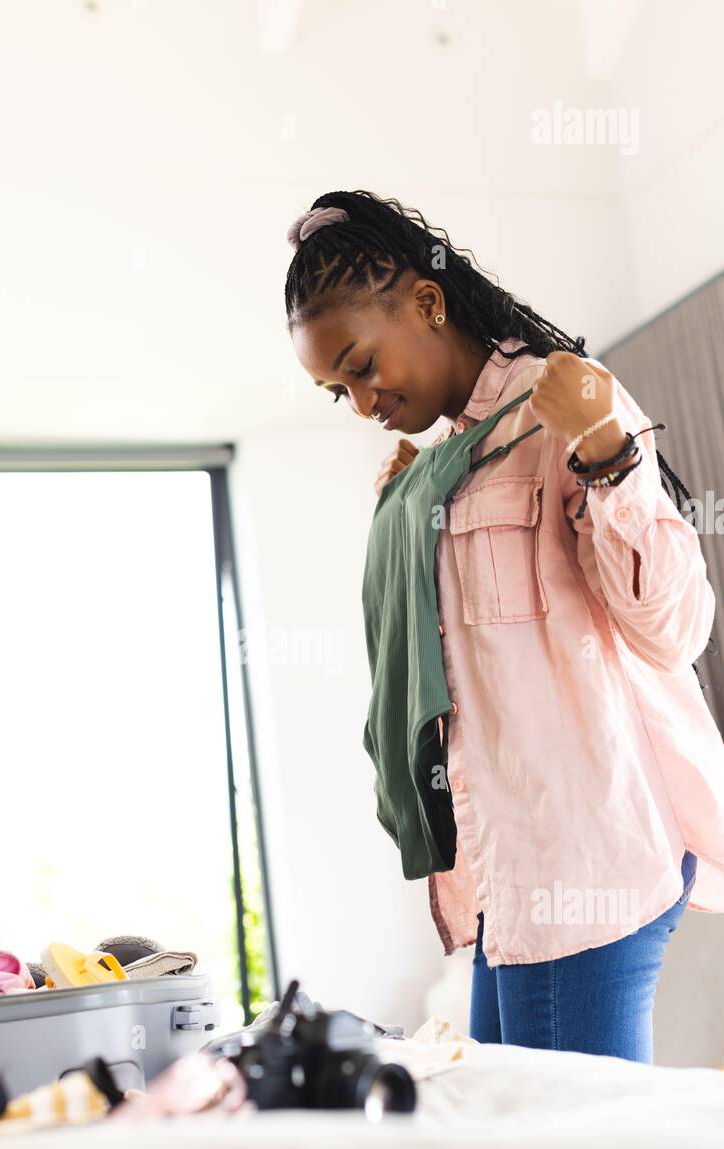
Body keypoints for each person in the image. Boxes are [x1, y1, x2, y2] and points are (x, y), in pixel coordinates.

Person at [284, 188, 724, 1064]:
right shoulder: (445, 463)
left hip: (580, 857)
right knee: (522, 1140)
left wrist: (607, 450)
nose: (364, 400)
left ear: (427, 302)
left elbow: (673, 629)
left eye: (363, 364)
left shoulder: (558, 404)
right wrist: (416, 520)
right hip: (512, 875)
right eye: (339, 391)